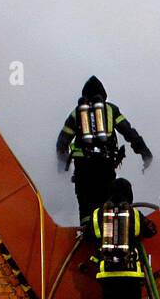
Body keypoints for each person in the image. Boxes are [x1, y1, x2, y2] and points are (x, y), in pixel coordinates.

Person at [56, 75, 152, 221]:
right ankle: (108, 234)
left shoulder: (77, 113)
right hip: (105, 166)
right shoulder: (111, 110)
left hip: (83, 169)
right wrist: (145, 153)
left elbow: (62, 142)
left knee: (86, 205)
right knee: (106, 204)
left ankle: (87, 233)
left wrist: (62, 166)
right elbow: (129, 132)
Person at [82, 178, 156, 299]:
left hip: (108, 274)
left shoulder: (99, 214)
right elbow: (151, 231)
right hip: (130, 274)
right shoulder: (134, 214)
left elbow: (88, 235)